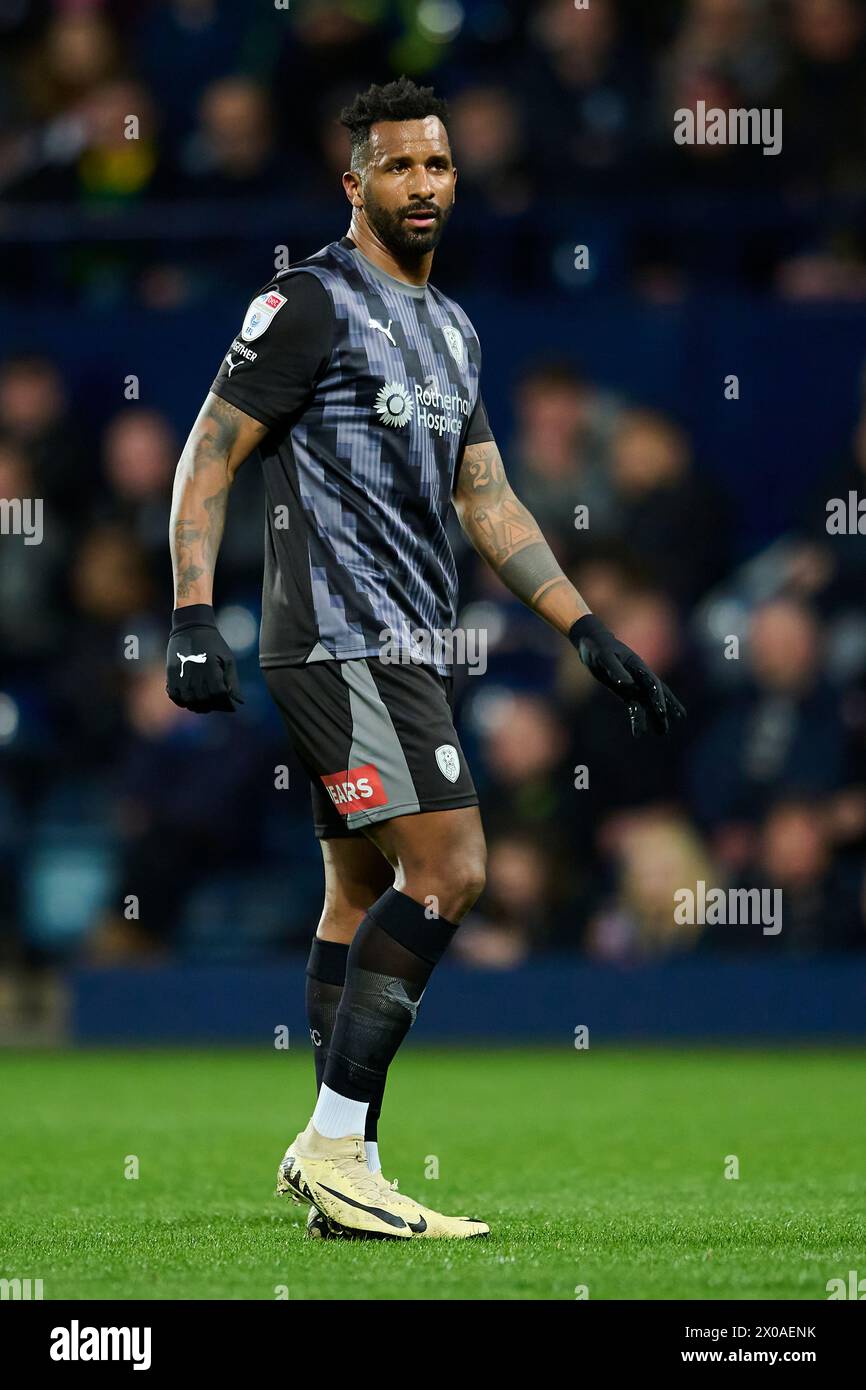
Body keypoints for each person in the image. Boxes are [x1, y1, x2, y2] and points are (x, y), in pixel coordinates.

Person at [165, 77, 685, 1241]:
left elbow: (486, 498)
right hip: (342, 642)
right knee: (450, 869)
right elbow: (206, 457)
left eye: (438, 165)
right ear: (354, 184)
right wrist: (192, 615)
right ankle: (337, 1145)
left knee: (358, 887)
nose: (423, 184)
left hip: (404, 647)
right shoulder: (305, 304)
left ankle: (344, 1155)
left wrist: (583, 627)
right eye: (398, 166)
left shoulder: (452, 328)